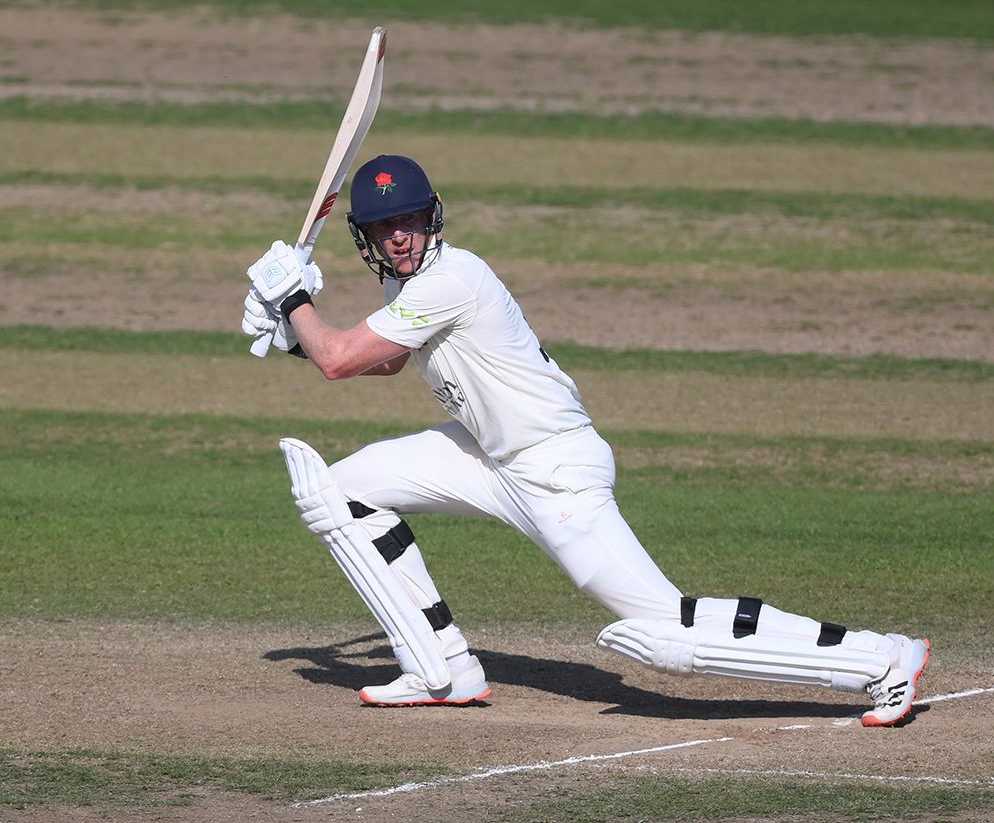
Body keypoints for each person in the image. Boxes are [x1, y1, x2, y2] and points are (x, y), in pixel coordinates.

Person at [240, 154, 929, 726]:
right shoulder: (407, 280)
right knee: (342, 491)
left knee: (664, 633)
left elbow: (340, 360)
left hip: (554, 471)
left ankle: (879, 659)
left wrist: (294, 302)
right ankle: (441, 668)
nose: (399, 236)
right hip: (487, 457)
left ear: (433, 216)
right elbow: (379, 358)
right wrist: (293, 329)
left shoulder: (452, 278)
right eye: (384, 225)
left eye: (409, 220)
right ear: (366, 235)